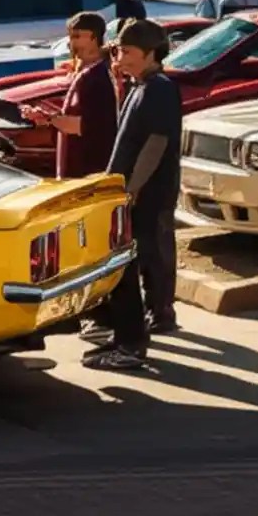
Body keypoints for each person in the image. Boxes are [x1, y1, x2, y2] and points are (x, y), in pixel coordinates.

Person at [83, 19, 183, 371]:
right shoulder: (140, 86)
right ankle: (124, 334)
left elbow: (156, 145)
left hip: (145, 196)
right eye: (119, 50)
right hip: (127, 194)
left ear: (151, 54)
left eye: (128, 52)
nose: (120, 57)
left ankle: (132, 343)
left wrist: (132, 189)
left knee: (126, 267)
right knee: (119, 269)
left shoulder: (160, 89)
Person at [20, 12, 120, 339]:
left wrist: (50, 121)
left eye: (80, 37)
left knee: (89, 245)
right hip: (73, 169)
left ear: (96, 38)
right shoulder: (84, 73)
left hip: (87, 171)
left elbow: (90, 127)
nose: (74, 43)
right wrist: (49, 118)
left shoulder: (98, 78)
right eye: (72, 37)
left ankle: (100, 317)